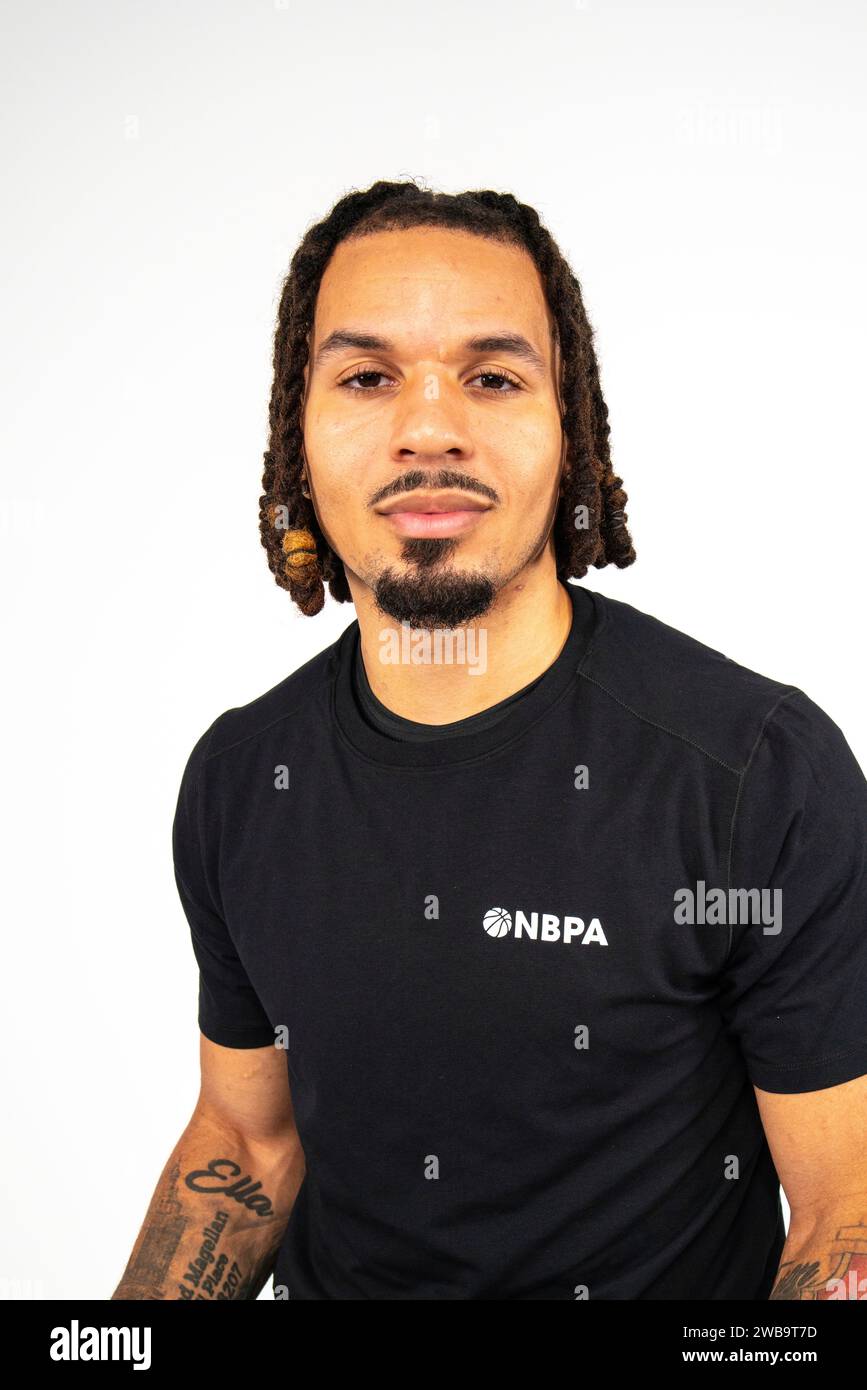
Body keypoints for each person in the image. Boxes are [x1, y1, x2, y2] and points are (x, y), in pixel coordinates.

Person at [112, 180, 867, 1301]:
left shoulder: (756, 776)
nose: (429, 429)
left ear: (569, 432)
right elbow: (249, 1143)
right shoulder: (240, 780)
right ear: (298, 432)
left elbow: (843, 1215)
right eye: (367, 377)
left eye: (493, 377)